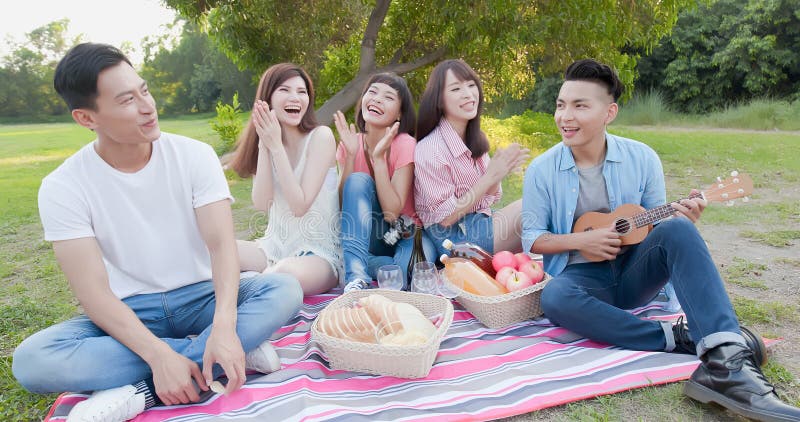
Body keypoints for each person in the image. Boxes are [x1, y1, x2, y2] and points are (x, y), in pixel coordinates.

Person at [11, 43, 303, 422]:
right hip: (130, 312)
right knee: (33, 361)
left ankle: (145, 389)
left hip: (202, 296)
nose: (147, 106)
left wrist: (224, 325)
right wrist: (158, 355)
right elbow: (93, 293)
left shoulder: (194, 156)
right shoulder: (63, 186)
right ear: (86, 118)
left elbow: (221, 248)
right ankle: (216, 355)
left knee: (284, 289)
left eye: (145, 90)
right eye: (127, 100)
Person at [521, 58, 800, 420]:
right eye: (561, 105)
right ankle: (676, 338)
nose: (565, 116)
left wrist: (682, 217)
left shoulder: (643, 157)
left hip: (635, 273)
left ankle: (728, 361)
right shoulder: (542, 169)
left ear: (609, 113)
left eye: (580, 106)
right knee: (555, 296)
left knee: (678, 229)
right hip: (584, 280)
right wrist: (580, 242)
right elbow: (533, 239)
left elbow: (658, 228)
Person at [230, 63, 341, 296]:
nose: (295, 98)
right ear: (267, 99)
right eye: (285, 90)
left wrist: (276, 147)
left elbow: (299, 206)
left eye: (302, 92)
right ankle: (252, 286)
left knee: (283, 274)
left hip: (319, 255)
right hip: (273, 247)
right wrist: (264, 145)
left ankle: (246, 288)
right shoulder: (269, 143)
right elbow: (262, 204)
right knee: (215, 252)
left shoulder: (320, 137)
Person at [414, 59, 529, 259]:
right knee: (530, 207)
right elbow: (446, 217)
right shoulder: (430, 149)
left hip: (480, 223)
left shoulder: (475, 139)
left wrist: (497, 176)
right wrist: (490, 177)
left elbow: (490, 198)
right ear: (439, 100)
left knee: (544, 207)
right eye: (456, 88)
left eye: (471, 85)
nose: (468, 94)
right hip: (455, 239)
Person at [334, 72, 435, 292]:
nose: (377, 99)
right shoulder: (350, 143)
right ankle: (356, 277)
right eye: (372, 92)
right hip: (371, 235)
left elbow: (391, 213)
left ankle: (363, 263)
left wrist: (379, 161)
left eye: (388, 97)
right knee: (357, 180)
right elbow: (343, 207)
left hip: (406, 234)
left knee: (405, 276)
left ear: (399, 113)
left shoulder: (404, 144)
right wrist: (350, 156)